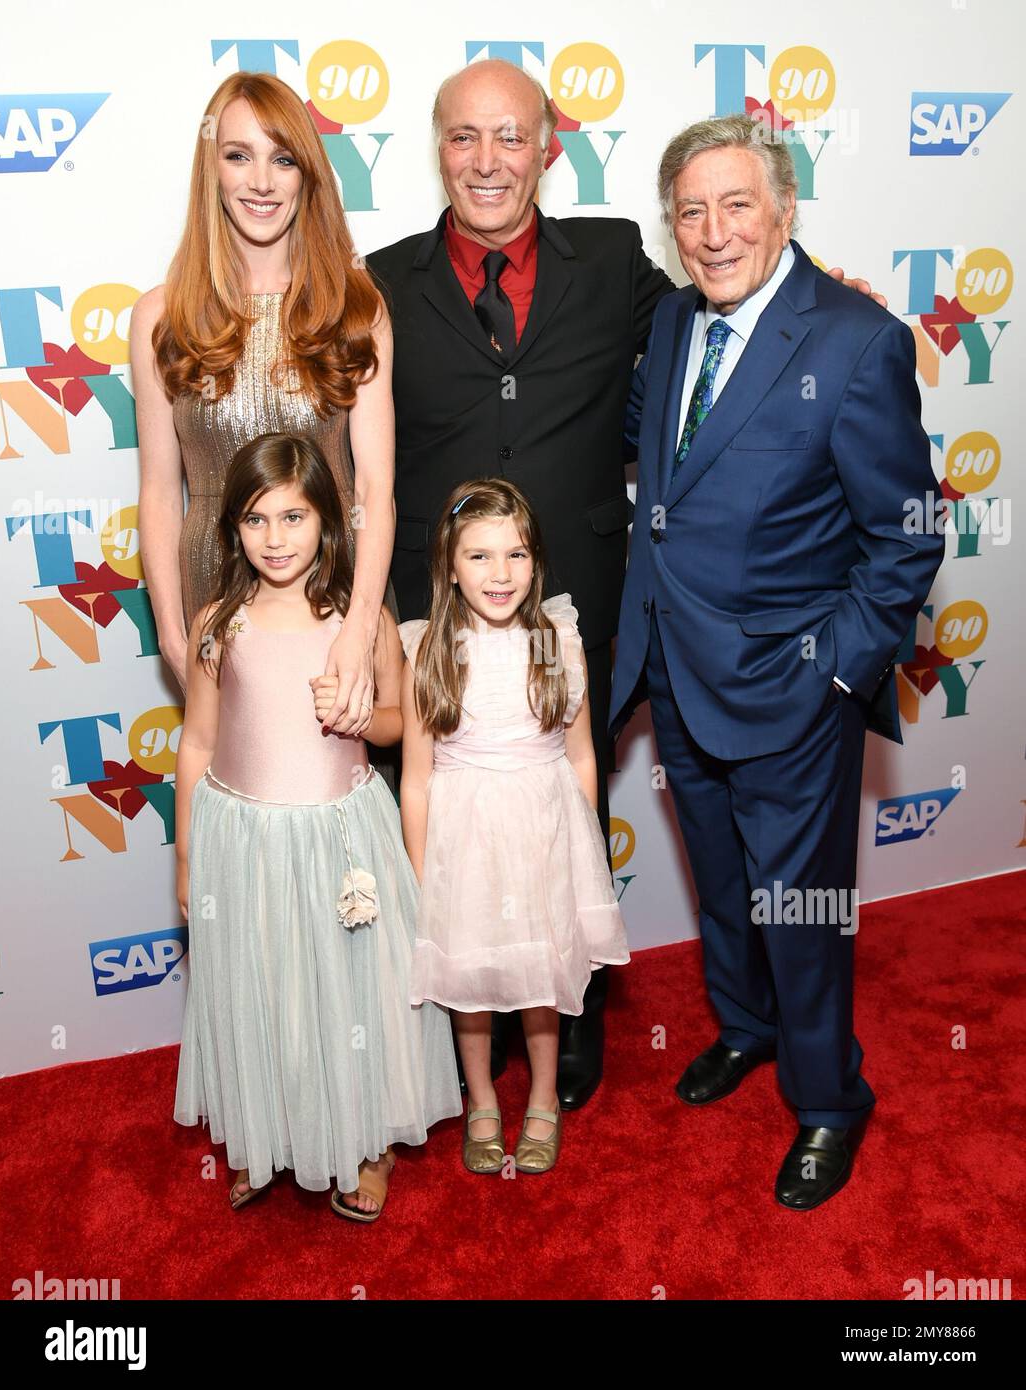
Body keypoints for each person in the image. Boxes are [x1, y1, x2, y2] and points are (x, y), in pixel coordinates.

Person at [367, 57, 884, 1108]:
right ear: (437, 149)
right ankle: (469, 1038)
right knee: (457, 828)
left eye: (509, 136)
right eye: (464, 137)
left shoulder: (611, 261)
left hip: (589, 612)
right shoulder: (376, 280)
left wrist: (837, 306)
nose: (487, 159)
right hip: (437, 623)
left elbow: (746, 293)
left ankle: (588, 1019)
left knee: (565, 816)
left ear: (546, 147)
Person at [609, 115, 945, 1209]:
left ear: (785, 209)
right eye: (690, 211)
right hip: (677, 675)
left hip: (792, 697)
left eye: (734, 204)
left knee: (799, 914)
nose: (711, 234)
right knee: (722, 893)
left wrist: (830, 675)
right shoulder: (667, 325)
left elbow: (904, 531)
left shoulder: (853, 340)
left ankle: (825, 1101)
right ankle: (745, 1032)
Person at [173, 432, 461, 1222]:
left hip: (340, 842)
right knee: (259, 988)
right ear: (233, 527)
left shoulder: (356, 620)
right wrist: (189, 863)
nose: (276, 539)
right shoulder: (218, 622)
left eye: (294, 518)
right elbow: (198, 743)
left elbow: (403, 726)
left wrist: (366, 712)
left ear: (327, 521)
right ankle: (259, 1133)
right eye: (257, 521)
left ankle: (366, 1144)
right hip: (245, 844)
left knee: (350, 998)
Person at [132, 70, 395, 753]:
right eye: (238, 155)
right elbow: (161, 492)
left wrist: (362, 628)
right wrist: (170, 629)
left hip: (338, 584)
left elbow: (372, 488)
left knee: (347, 812)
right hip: (211, 587)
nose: (261, 181)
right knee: (240, 802)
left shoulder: (356, 306)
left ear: (307, 174)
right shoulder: (161, 316)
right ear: (210, 167)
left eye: (282, 159)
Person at [397, 480, 630, 1174]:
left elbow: (582, 753)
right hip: (462, 838)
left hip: (542, 829)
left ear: (536, 561)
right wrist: (418, 873)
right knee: (467, 984)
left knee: (540, 976)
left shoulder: (558, 637)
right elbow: (416, 776)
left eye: (516, 555)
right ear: (448, 563)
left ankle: (543, 1104)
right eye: (479, 557)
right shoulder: (426, 648)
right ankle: (481, 1104)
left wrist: (580, 845)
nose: (500, 574)